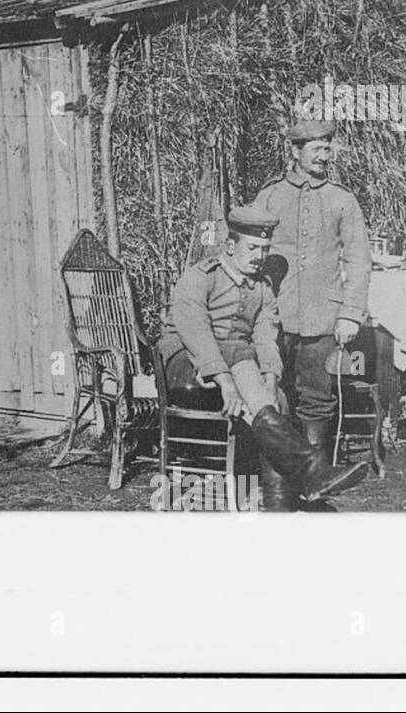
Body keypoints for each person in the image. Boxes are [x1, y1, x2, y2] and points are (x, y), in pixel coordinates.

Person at [157, 205, 369, 510]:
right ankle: (311, 467)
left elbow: (265, 336)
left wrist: (270, 378)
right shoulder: (201, 276)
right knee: (242, 357)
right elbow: (195, 331)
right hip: (184, 362)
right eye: (253, 247)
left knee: (277, 400)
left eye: (265, 248)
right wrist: (225, 381)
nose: (260, 255)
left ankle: (279, 502)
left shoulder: (263, 288)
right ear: (231, 246)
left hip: (235, 366)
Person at [252, 118, 371, 450]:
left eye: (328, 148)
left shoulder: (342, 199)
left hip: (323, 316)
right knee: (276, 391)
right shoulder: (270, 195)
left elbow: (359, 260)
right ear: (295, 150)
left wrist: (350, 313)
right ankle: (282, 471)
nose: (325, 155)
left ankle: (315, 469)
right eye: (317, 148)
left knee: (318, 396)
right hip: (276, 314)